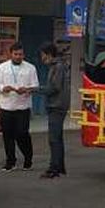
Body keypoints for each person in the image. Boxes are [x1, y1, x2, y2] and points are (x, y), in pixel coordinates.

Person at [0, 41, 39, 171]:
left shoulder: (30, 68)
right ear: (11, 54)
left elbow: (35, 86)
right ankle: (10, 161)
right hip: (6, 107)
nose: (19, 56)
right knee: (7, 136)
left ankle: (28, 157)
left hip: (23, 107)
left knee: (22, 133)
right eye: (16, 54)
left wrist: (27, 89)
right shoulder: (2, 68)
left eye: (21, 54)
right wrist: (4, 88)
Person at [37, 42, 70, 178]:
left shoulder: (58, 67)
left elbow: (54, 87)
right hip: (57, 105)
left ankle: (54, 168)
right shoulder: (56, 66)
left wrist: (35, 89)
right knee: (58, 137)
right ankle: (60, 166)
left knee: (54, 138)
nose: (42, 59)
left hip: (57, 106)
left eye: (43, 56)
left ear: (49, 54)